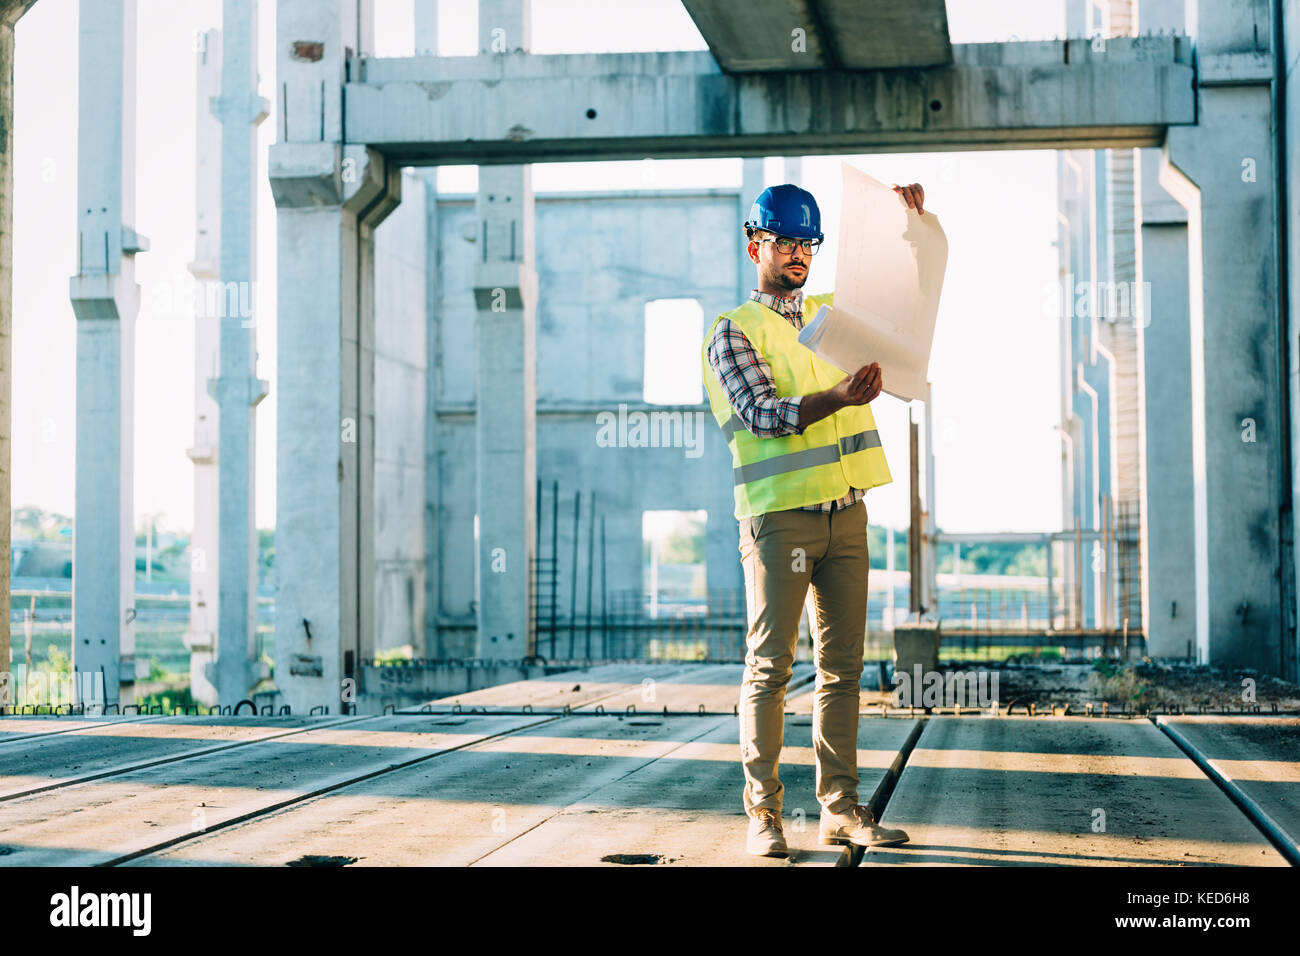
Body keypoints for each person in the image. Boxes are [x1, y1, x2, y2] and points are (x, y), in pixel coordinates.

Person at [700, 181, 924, 857]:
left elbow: (902, 305)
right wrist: (839, 395)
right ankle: (764, 815)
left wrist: (905, 228)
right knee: (771, 668)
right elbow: (764, 416)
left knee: (844, 671)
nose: (799, 253)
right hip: (780, 524)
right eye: (786, 241)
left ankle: (841, 808)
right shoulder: (734, 330)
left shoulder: (832, 314)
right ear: (756, 246)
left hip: (847, 515)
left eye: (808, 242)